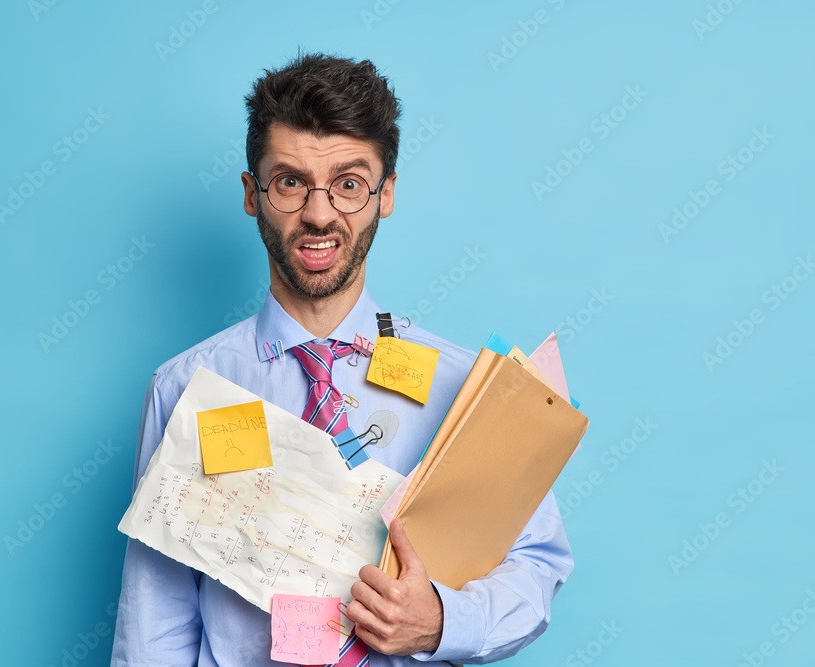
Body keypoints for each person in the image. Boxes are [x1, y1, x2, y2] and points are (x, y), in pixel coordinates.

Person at [110, 52, 573, 666]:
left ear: (385, 196)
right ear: (253, 193)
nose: (320, 213)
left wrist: (441, 620)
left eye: (350, 184)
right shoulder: (186, 387)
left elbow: (536, 565)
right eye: (290, 181)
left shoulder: (468, 388)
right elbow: (155, 624)